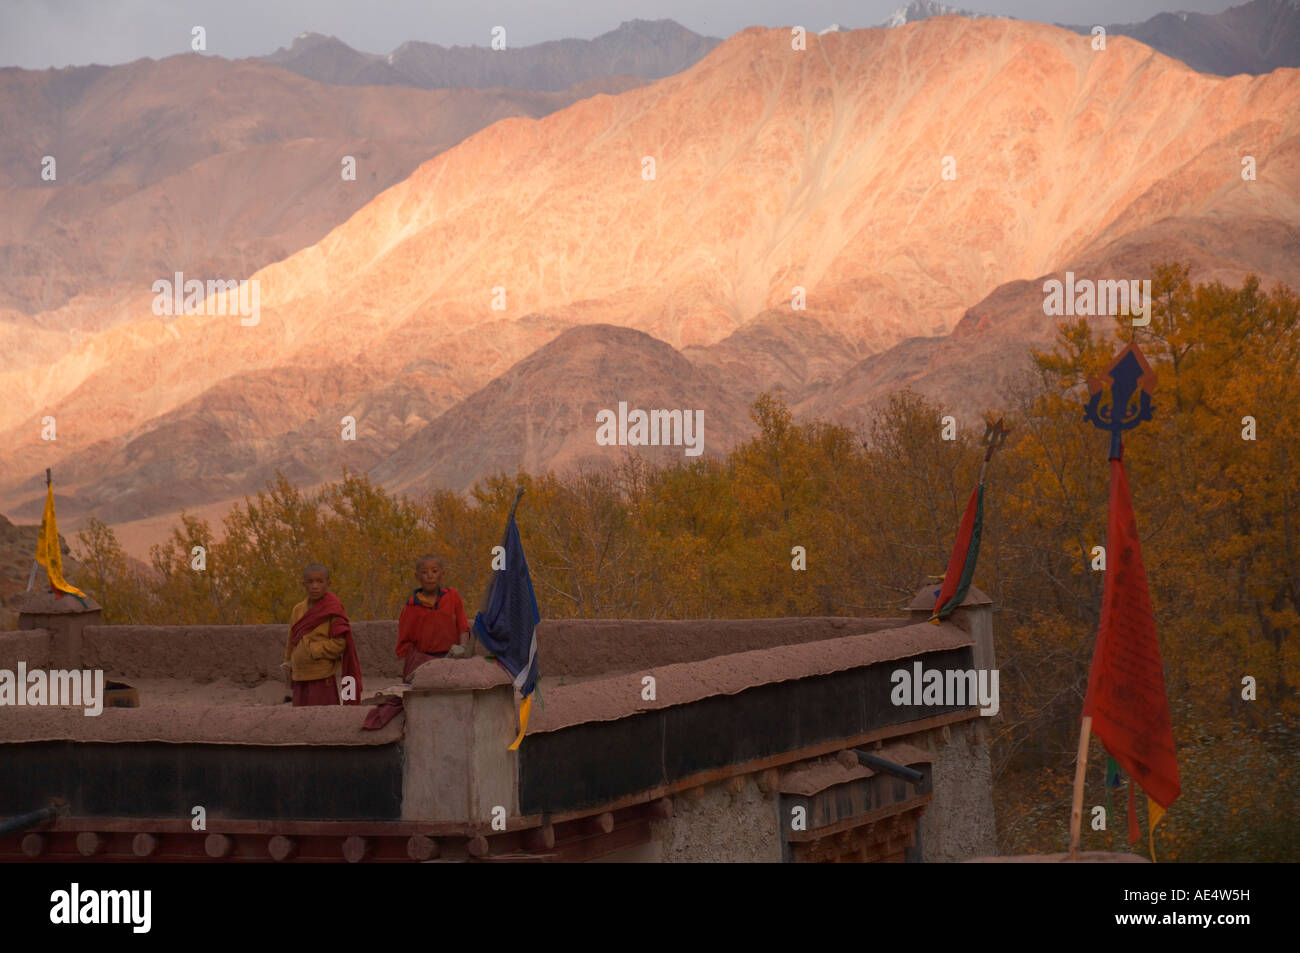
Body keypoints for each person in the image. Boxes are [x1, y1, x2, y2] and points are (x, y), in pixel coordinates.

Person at [282, 563, 363, 706]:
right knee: (300, 719)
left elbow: (340, 644)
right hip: (300, 674)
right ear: (304, 584)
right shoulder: (297, 610)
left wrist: (313, 650)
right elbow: (292, 639)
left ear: (328, 584)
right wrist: (289, 661)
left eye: (320, 581)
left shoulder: (333, 609)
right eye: (310, 582)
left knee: (323, 718)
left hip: (321, 675)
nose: (315, 586)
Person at [395, 555, 471, 679]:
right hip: (423, 663)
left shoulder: (452, 596)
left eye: (434, 571)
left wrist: (462, 649)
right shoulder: (411, 606)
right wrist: (420, 661)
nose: (430, 576)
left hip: (452, 658)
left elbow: (463, 628)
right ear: (417, 576)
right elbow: (404, 645)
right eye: (424, 572)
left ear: (442, 574)